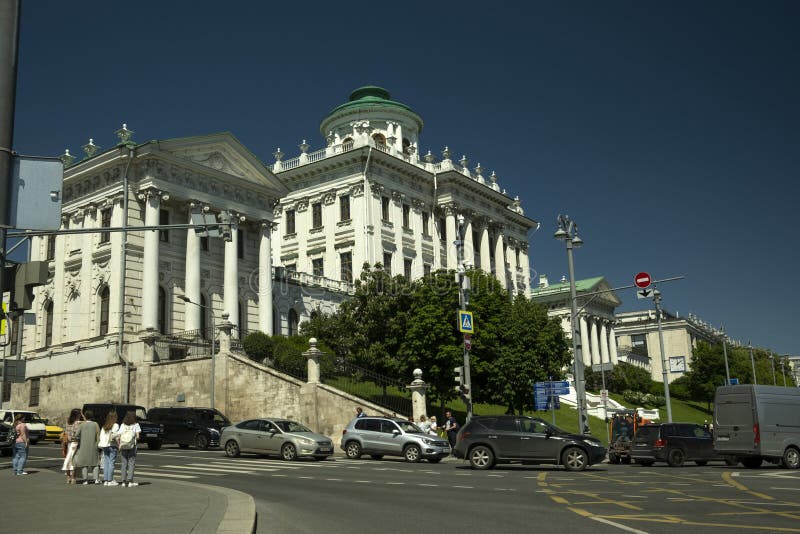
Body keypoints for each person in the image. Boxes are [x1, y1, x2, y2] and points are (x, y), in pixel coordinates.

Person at [74, 409, 101, 484]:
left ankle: (85, 480)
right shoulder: (95, 424)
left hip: (83, 447)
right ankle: (96, 479)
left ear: (85, 416)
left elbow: (76, 435)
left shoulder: (82, 425)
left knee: (84, 464)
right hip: (94, 447)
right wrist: (98, 445)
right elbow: (98, 435)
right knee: (95, 463)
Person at [117, 410, 141, 487]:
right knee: (131, 463)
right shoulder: (136, 424)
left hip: (123, 445)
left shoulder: (123, 425)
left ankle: (123, 481)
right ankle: (130, 481)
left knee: (124, 463)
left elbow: (119, 436)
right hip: (132, 445)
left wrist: (119, 445)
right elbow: (138, 436)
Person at [61, 408, 84, 484]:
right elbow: (86, 422)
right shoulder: (78, 423)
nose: (81, 415)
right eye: (80, 414)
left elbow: (64, 432)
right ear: (78, 415)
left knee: (68, 459)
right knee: (74, 461)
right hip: (75, 443)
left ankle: (68, 477)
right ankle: (73, 478)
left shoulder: (68, 421)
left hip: (68, 443)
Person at [98, 410, 120, 486]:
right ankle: (110, 480)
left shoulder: (104, 425)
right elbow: (115, 436)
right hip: (112, 445)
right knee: (111, 462)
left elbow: (101, 436)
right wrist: (119, 445)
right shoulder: (115, 425)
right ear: (115, 417)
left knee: (106, 462)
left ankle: (106, 480)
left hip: (105, 445)